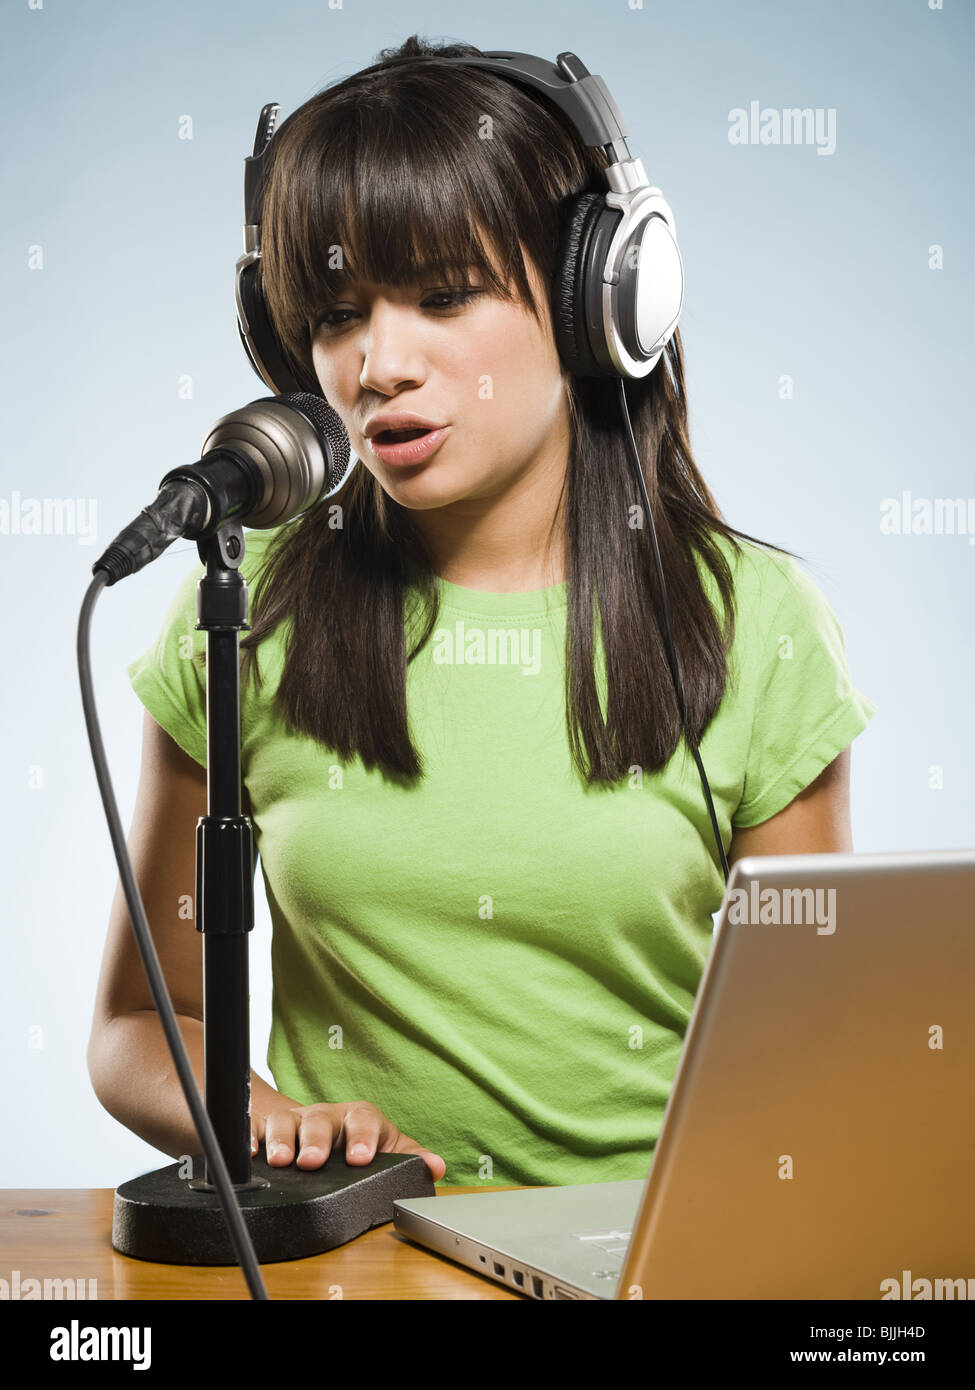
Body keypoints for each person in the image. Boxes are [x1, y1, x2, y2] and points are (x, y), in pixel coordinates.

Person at [87, 36, 876, 1190]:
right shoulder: (242, 611)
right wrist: (268, 1124)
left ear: (603, 297)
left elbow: (811, 1055)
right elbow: (136, 1024)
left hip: (650, 1251)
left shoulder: (755, 622)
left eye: (444, 296)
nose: (379, 365)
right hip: (359, 1254)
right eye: (338, 314)